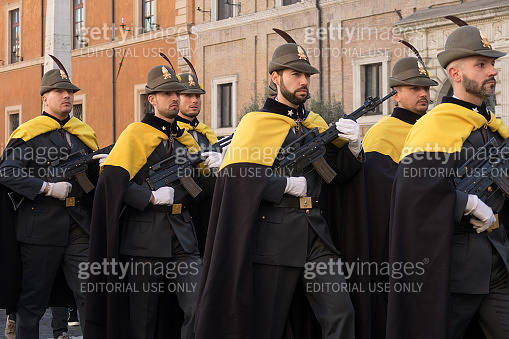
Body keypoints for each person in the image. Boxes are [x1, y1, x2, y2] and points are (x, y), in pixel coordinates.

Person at [195, 40, 363, 339]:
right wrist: (284, 184)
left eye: (307, 75)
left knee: (342, 314)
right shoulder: (256, 122)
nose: (303, 81)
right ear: (276, 78)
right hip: (274, 238)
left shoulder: (313, 122)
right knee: (267, 325)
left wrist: (353, 146)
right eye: (295, 74)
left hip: (316, 235)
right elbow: (237, 179)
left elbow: (337, 175)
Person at [387, 24, 509, 338]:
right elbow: (413, 193)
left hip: (499, 264)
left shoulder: (491, 127)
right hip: (454, 271)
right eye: (481, 65)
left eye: (491, 63)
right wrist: (465, 202)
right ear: (455, 74)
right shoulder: (435, 126)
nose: (492, 70)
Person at [84, 63, 218, 339]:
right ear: (152, 99)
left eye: (176, 93)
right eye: (166, 93)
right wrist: (151, 196)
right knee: (142, 320)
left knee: (200, 306)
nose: (174, 98)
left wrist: (217, 172)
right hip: (144, 241)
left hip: (183, 238)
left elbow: (201, 193)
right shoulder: (135, 134)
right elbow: (111, 184)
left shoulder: (186, 141)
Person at [0, 64, 103, 338]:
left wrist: (104, 169)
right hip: (40, 226)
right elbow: (7, 173)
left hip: (78, 225)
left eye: (69, 91)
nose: (66, 96)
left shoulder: (83, 134)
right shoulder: (28, 134)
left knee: (90, 294)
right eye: (59, 91)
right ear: (45, 98)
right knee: (32, 303)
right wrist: (46, 187)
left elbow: (90, 180)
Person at [362, 54, 438, 338]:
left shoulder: (434, 129)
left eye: (427, 88)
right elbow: (383, 201)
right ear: (396, 94)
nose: (423, 94)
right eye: (415, 88)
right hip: (397, 250)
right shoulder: (382, 134)